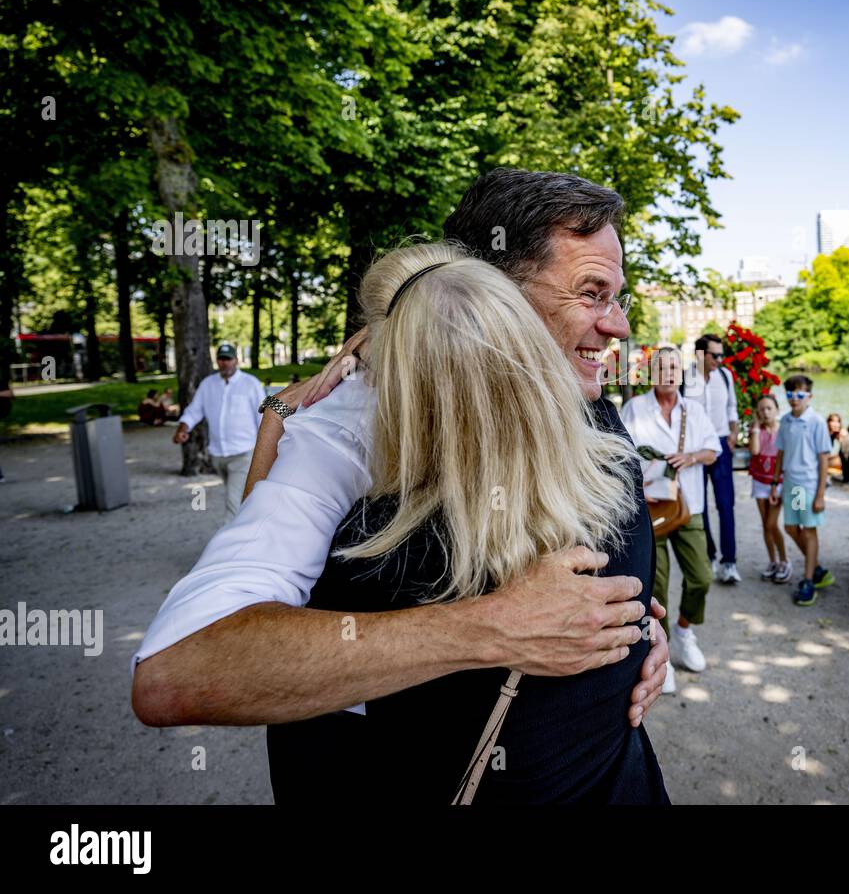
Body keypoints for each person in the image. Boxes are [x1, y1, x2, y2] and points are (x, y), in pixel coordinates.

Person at [131, 169, 668, 748]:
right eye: (591, 293)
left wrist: (636, 628)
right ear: (492, 293)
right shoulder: (358, 421)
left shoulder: (588, 404)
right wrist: (493, 629)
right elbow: (176, 670)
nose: (619, 325)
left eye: (618, 296)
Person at [265, 242, 669, 804]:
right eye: (591, 294)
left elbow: (256, 661)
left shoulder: (372, 547)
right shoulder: (606, 461)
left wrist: (276, 417)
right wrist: (639, 629)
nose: (616, 325)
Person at [621, 345, 719, 695]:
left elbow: (713, 451)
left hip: (686, 507)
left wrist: (690, 456)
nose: (668, 372)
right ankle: (659, 657)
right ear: (651, 372)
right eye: (661, 367)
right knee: (656, 588)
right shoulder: (635, 408)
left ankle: (683, 631)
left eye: (674, 367)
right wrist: (636, 486)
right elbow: (621, 455)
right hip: (650, 510)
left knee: (701, 577)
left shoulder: (694, 410)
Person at [172, 343, 264, 522]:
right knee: (240, 499)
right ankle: (252, 531)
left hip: (244, 454)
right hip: (218, 455)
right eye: (221, 359)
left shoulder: (250, 384)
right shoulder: (208, 384)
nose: (225, 363)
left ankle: (229, 547)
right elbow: (194, 410)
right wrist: (183, 428)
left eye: (228, 359)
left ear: (236, 361)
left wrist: (266, 449)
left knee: (233, 504)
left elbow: (262, 417)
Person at [769, 374, 834, 607]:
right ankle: (815, 567)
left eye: (799, 395)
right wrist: (775, 483)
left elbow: (824, 460)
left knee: (809, 531)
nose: (794, 399)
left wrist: (820, 495)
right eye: (789, 395)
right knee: (791, 527)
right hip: (792, 485)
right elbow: (781, 453)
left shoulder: (816, 422)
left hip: (809, 484)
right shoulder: (786, 421)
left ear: (809, 396)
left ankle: (808, 581)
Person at [682, 333, 740, 584]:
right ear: (700, 355)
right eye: (714, 355)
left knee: (726, 505)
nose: (720, 359)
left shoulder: (725, 376)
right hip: (696, 451)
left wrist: (734, 432)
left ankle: (730, 562)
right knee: (700, 505)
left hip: (721, 448)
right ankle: (710, 556)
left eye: (721, 355)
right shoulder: (686, 378)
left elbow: (732, 409)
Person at [748, 393, 790, 582]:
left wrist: (776, 484)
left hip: (776, 482)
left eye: (769, 408)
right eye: (762, 409)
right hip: (759, 482)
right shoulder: (756, 430)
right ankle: (773, 561)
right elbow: (755, 451)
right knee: (765, 524)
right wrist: (756, 428)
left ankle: (785, 561)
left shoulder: (783, 430)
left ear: (777, 410)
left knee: (772, 523)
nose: (765, 412)